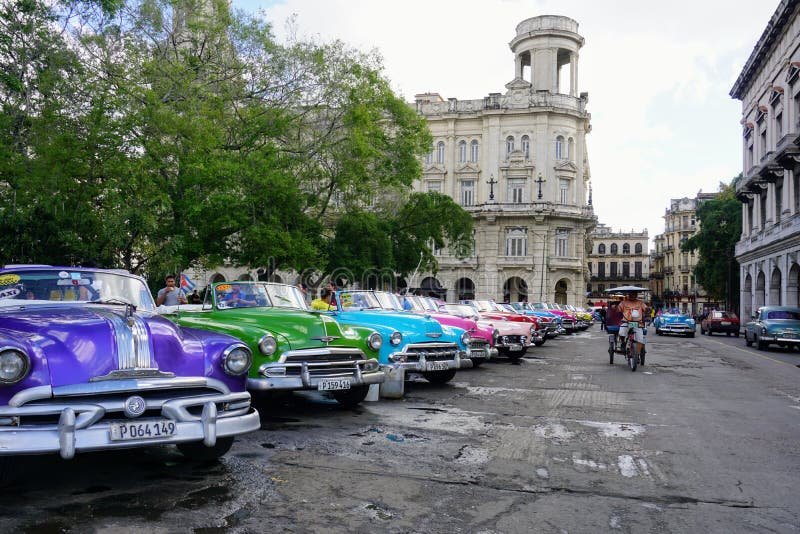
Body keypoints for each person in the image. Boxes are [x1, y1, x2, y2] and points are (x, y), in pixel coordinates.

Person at [618, 291, 648, 357]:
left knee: (640, 339)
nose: (632, 296)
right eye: (631, 294)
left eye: (634, 294)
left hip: (637, 323)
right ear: (629, 295)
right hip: (626, 322)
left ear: (636, 295)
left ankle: (637, 353)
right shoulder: (623, 302)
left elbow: (646, 309)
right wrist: (615, 307)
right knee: (621, 332)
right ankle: (623, 343)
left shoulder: (640, 302)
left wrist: (648, 309)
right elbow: (618, 309)